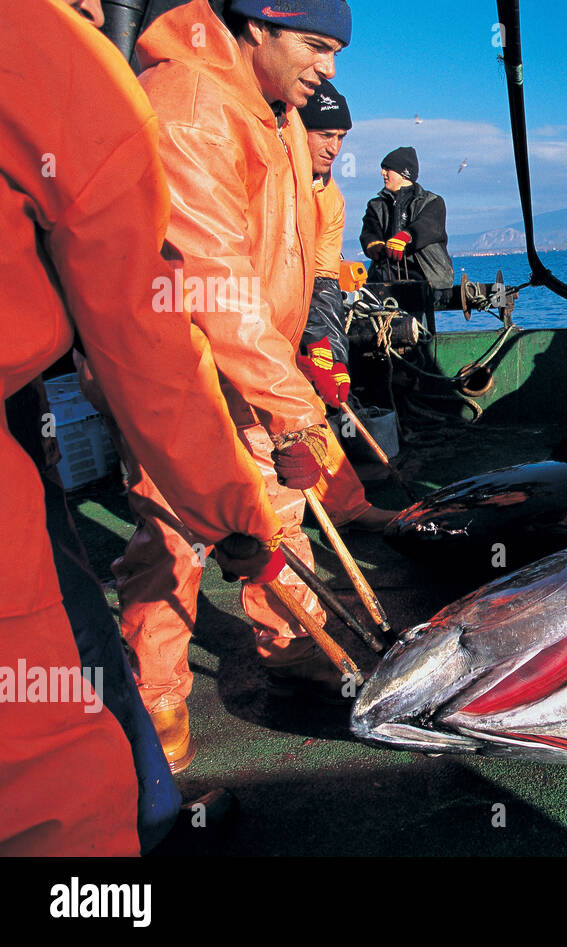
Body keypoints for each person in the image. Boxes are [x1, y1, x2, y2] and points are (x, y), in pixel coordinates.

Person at [1, 0, 285, 855]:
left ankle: (153, 797)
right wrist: (231, 510)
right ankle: (140, 821)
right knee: (46, 748)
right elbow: (144, 335)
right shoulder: (52, 54)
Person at [91, 0, 354, 771]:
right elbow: (216, 282)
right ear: (257, 27)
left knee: (274, 503)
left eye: (335, 49)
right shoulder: (193, 106)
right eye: (314, 44)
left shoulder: (275, 110)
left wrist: (288, 384)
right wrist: (298, 412)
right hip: (168, 360)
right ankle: (156, 695)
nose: (328, 67)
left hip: (244, 356)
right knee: (177, 528)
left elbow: (283, 259)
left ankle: (288, 640)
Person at [298, 78, 398, 532]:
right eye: (324, 135)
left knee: (309, 407)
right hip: (237, 323)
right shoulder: (266, 184)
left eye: (341, 138)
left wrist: (329, 353)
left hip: (290, 320)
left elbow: (322, 282)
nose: (335, 148)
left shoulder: (330, 199)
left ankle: (347, 506)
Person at [359, 146, 455, 313]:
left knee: (418, 332)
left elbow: (429, 226)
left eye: (387, 168)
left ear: (404, 173)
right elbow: (369, 230)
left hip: (427, 280)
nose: (383, 173)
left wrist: (405, 237)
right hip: (385, 281)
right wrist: (373, 244)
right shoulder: (375, 205)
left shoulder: (432, 202)